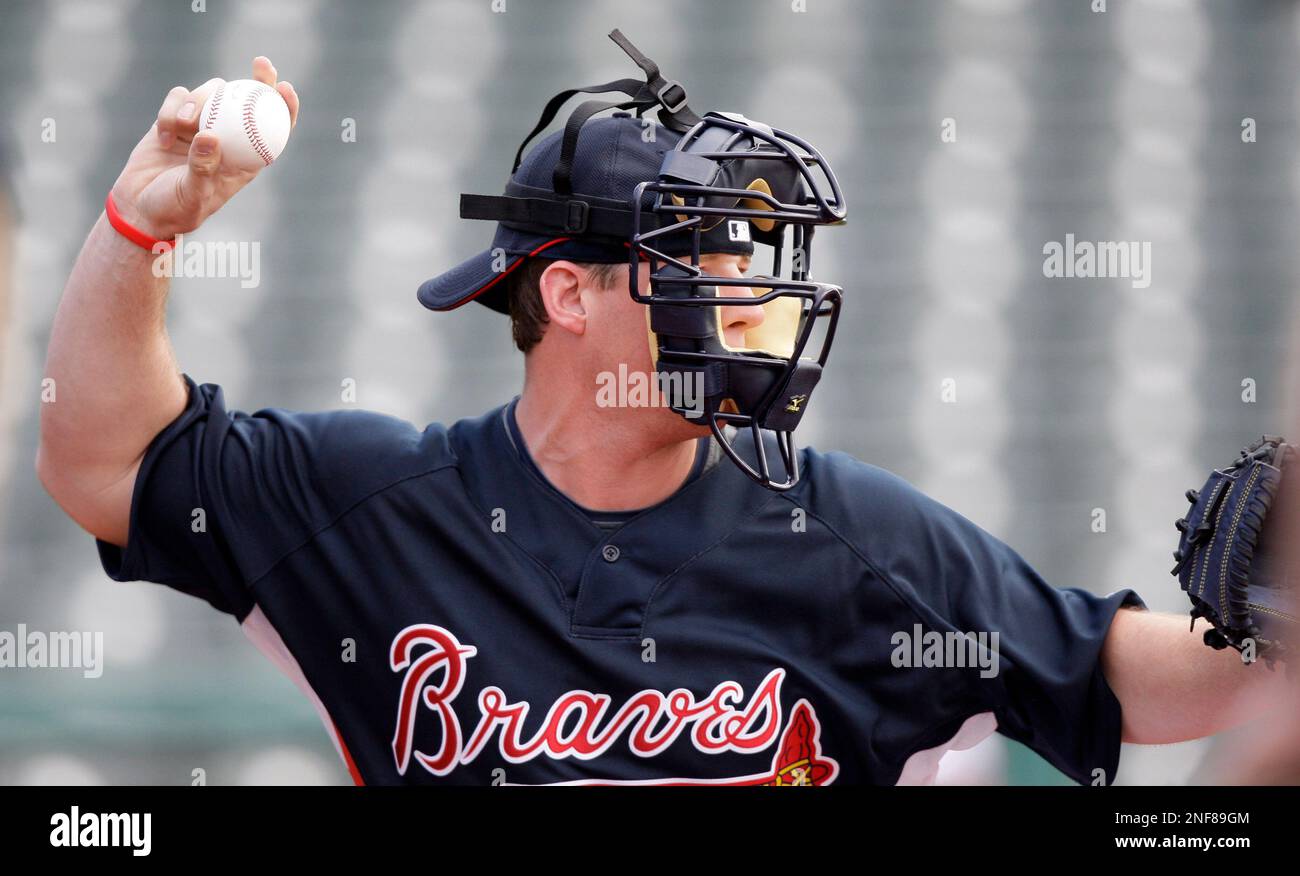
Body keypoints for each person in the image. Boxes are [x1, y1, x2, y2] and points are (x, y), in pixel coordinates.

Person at [37, 43, 1290, 787]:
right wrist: (143, 228)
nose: (755, 293)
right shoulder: (372, 507)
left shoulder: (857, 541)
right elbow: (104, 457)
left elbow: (1118, 677)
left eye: (761, 254)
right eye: (705, 253)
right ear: (570, 295)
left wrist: (1273, 635)